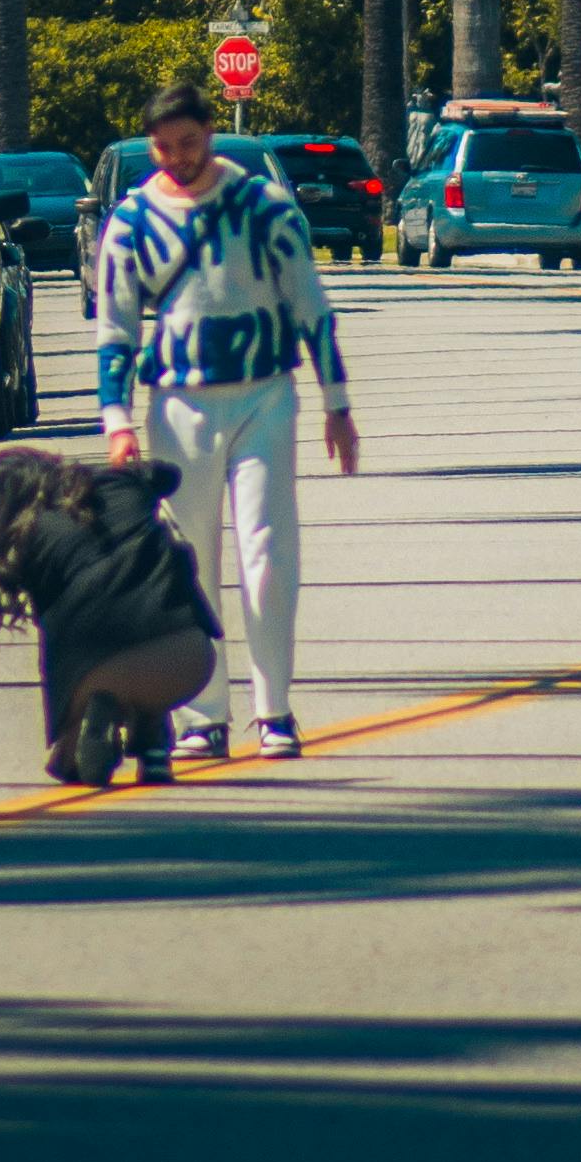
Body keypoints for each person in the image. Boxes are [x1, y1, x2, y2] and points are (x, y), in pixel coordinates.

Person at [89, 94, 359, 759]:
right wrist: (117, 421)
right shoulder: (130, 223)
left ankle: (274, 712)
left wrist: (337, 402)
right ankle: (201, 717)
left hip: (264, 397)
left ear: (210, 133)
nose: (178, 159)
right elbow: (116, 329)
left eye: (188, 143)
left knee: (267, 554)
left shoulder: (264, 208)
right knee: (192, 566)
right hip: (179, 408)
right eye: (163, 147)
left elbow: (309, 304)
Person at [0, 440, 219, 785]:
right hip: (189, 658)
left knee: (67, 765)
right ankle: (153, 747)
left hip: (94, 670)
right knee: (152, 612)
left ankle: (105, 708)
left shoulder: (28, 537)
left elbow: (54, 643)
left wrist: (64, 728)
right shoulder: (118, 484)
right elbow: (171, 476)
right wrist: (129, 472)